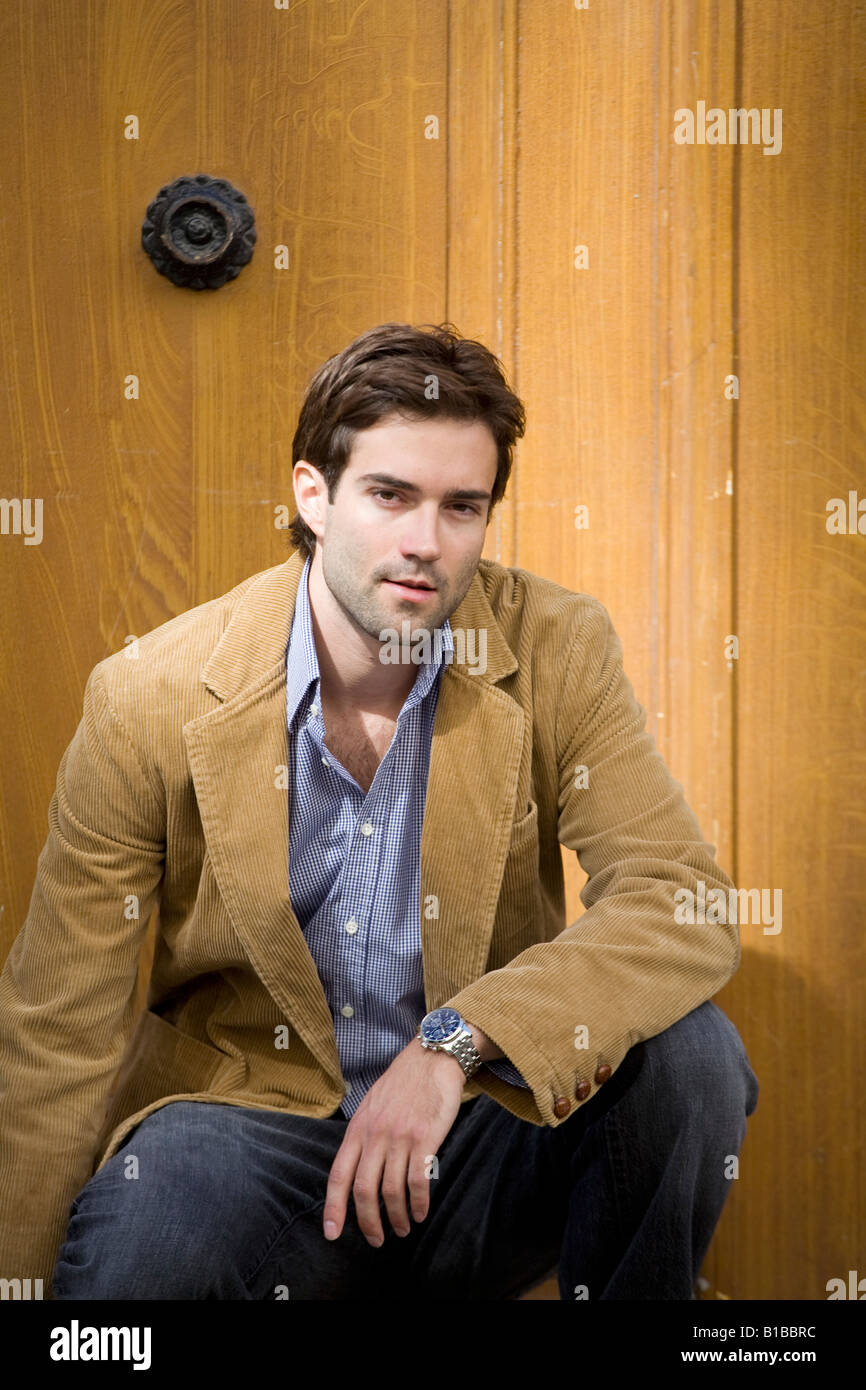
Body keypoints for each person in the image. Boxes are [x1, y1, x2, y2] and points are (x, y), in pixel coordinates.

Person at [0, 322, 758, 1301]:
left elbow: (677, 899)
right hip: (249, 1141)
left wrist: (458, 1040)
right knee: (143, 1244)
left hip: (481, 1125)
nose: (423, 542)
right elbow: (57, 1029)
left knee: (685, 1055)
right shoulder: (149, 696)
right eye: (389, 495)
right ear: (311, 495)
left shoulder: (556, 647)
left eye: (460, 507)